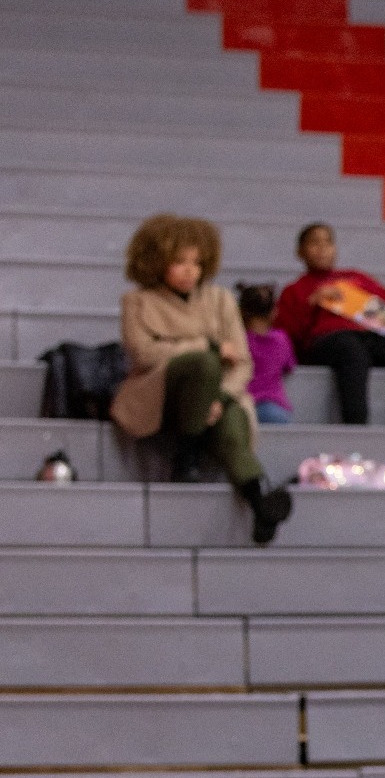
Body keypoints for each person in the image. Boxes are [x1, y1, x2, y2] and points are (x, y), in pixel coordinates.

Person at [113, 214, 290, 544]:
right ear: (156, 261)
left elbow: (242, 363)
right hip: (161, 395)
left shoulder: (221, 299)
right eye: (179, 262)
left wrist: (220, 399)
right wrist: (207, 345)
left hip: (216, 400)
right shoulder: (137, 302)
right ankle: (188, 454)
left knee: (234, 421)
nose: (190, 270)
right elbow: (144, 354)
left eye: (196, 262)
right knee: (204, 363)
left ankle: (259, 501)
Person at [275, 222, 385, 427]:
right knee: (352, 353)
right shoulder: (295, 290)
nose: (322, 248)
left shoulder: (356, 279)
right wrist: (312, 302)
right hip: (330, 341)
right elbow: (290, 335)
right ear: (300, 252)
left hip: (370, 334)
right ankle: (356, 427)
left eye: (328, 242)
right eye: (314, 243)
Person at [235, 282, 295, 426]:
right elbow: (289, 366)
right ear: (274, 311)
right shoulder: (281, 339)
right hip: (275, 407)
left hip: (242, 404)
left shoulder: (238, 340)